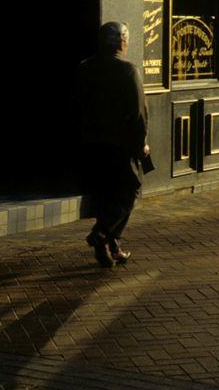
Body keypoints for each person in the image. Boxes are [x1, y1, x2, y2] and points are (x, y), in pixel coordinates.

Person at [76, 21, 151, 268]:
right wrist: (141, 142)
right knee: (131, 190)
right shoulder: (128, 71)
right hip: (120, 144)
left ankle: (111, 246)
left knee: (106, 193)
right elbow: (138, 112)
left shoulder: (85, 68)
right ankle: (102, 233)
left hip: (91, 143)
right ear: (122, 42)